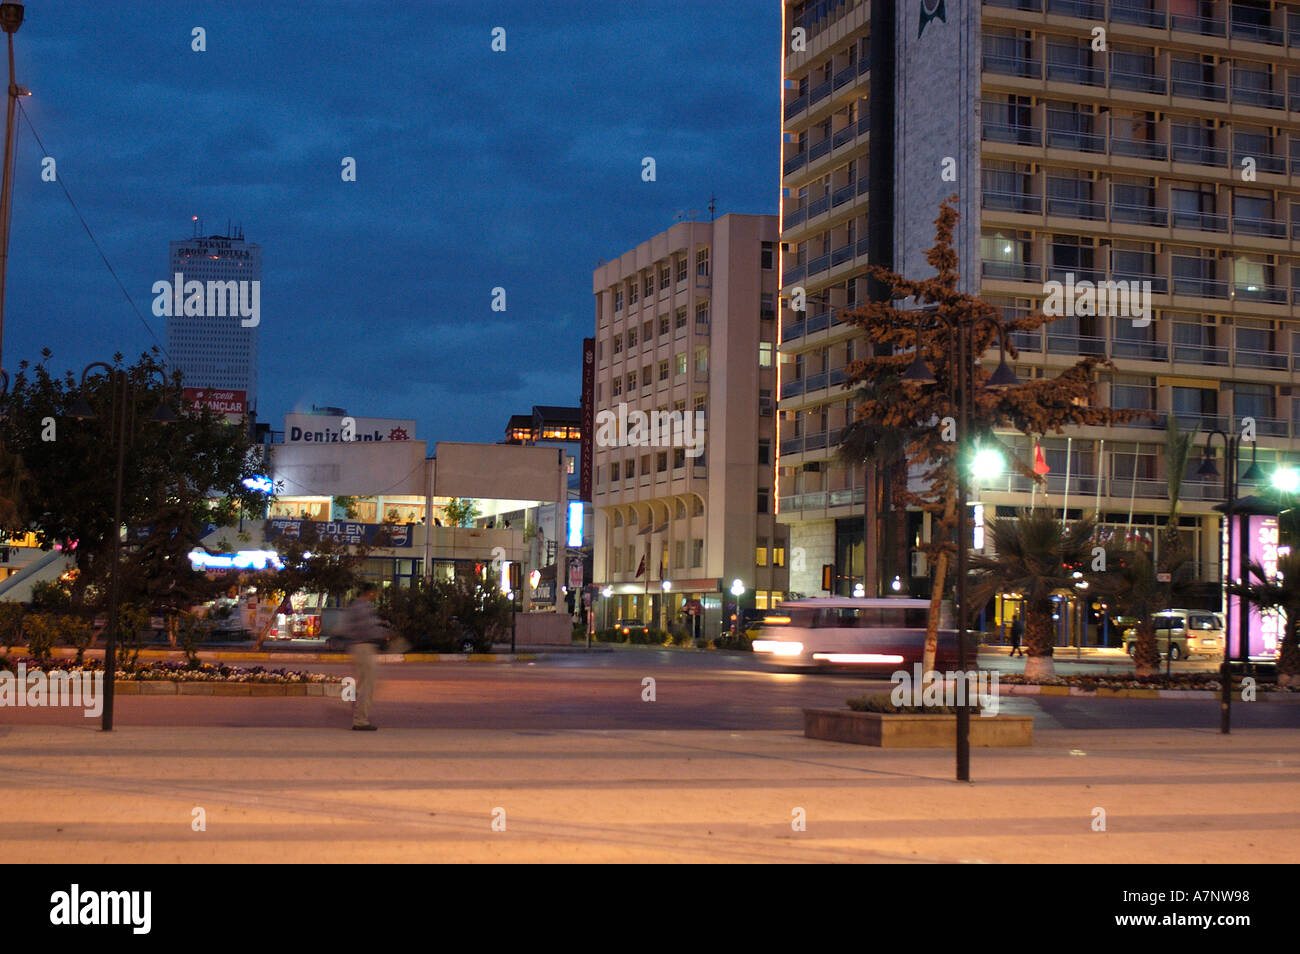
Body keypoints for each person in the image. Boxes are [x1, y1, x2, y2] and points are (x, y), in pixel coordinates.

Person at [341, 582, 389, 730]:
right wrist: (385, 634)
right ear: (370, 592)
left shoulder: (356, 606)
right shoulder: (363, 607)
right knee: (367, 685)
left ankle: (358, 711)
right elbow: (367, 629)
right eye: (376, 592)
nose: (377, 595)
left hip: (357, 647)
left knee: (363, 683)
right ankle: (360, 720)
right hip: (364, 647)